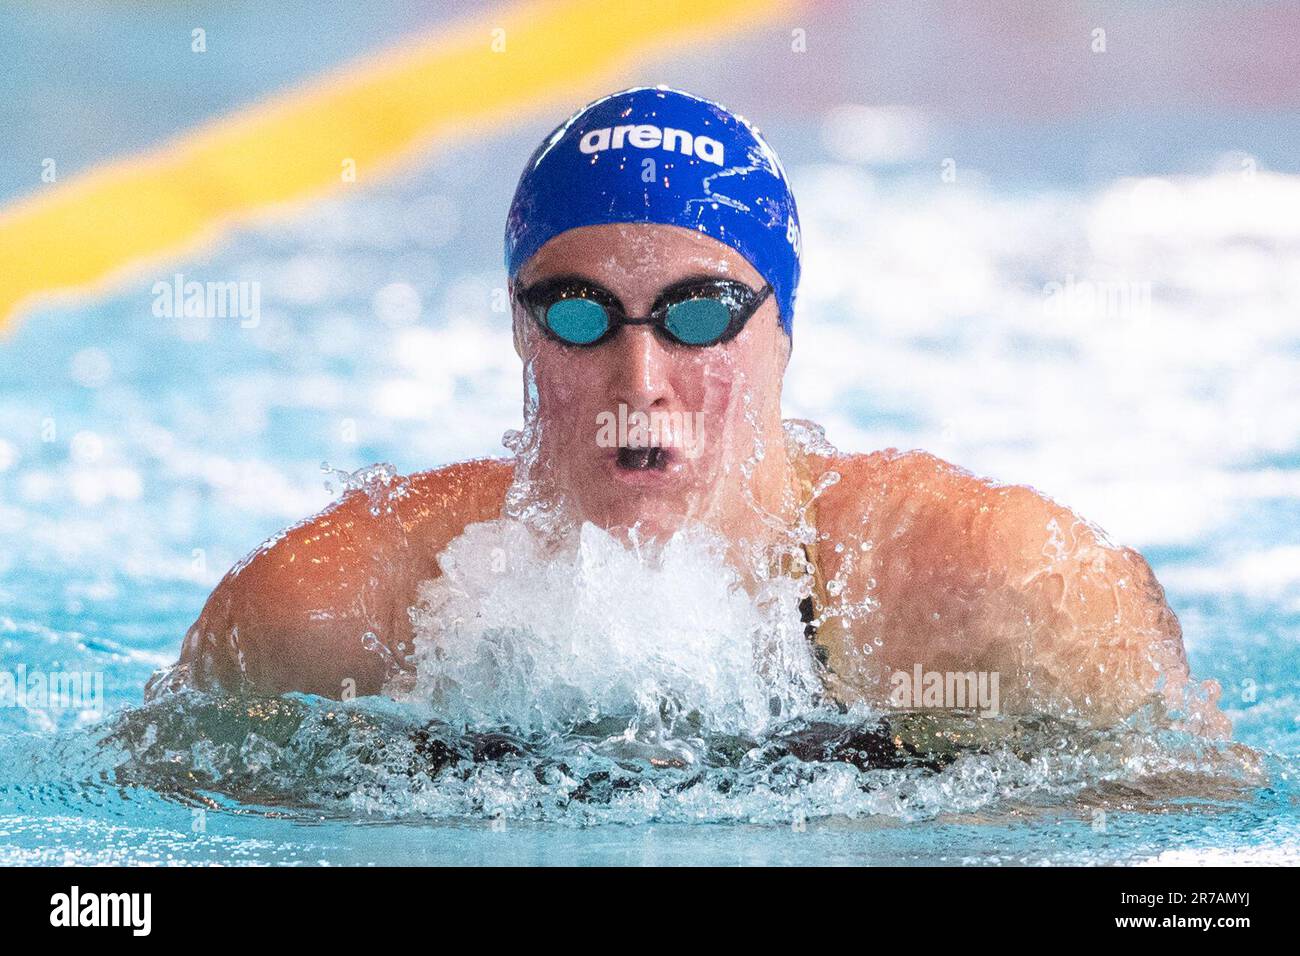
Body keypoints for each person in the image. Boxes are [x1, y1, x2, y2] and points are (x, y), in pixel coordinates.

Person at [152, 86, 1229, 737]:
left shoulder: (990, 587)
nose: (638, 376)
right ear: (521, 334)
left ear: (782, 331)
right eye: (578, 315)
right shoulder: (332, 613)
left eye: (698, 314)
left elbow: (1193, 845)